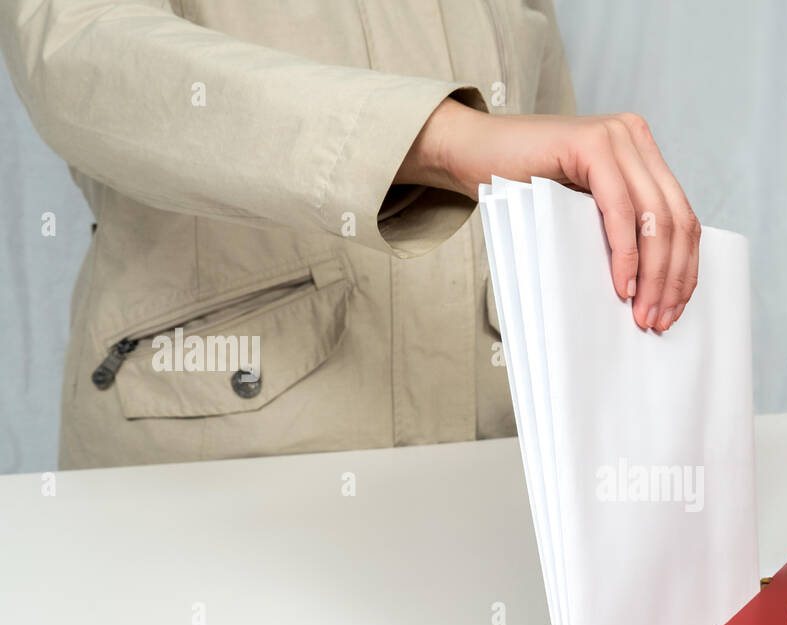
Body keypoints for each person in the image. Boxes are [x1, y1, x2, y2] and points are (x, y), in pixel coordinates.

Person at [0, 0, 700, 469]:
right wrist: (435, 137)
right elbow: (77, 54)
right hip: (229, 474)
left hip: (503, 463)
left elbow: (536, 105)